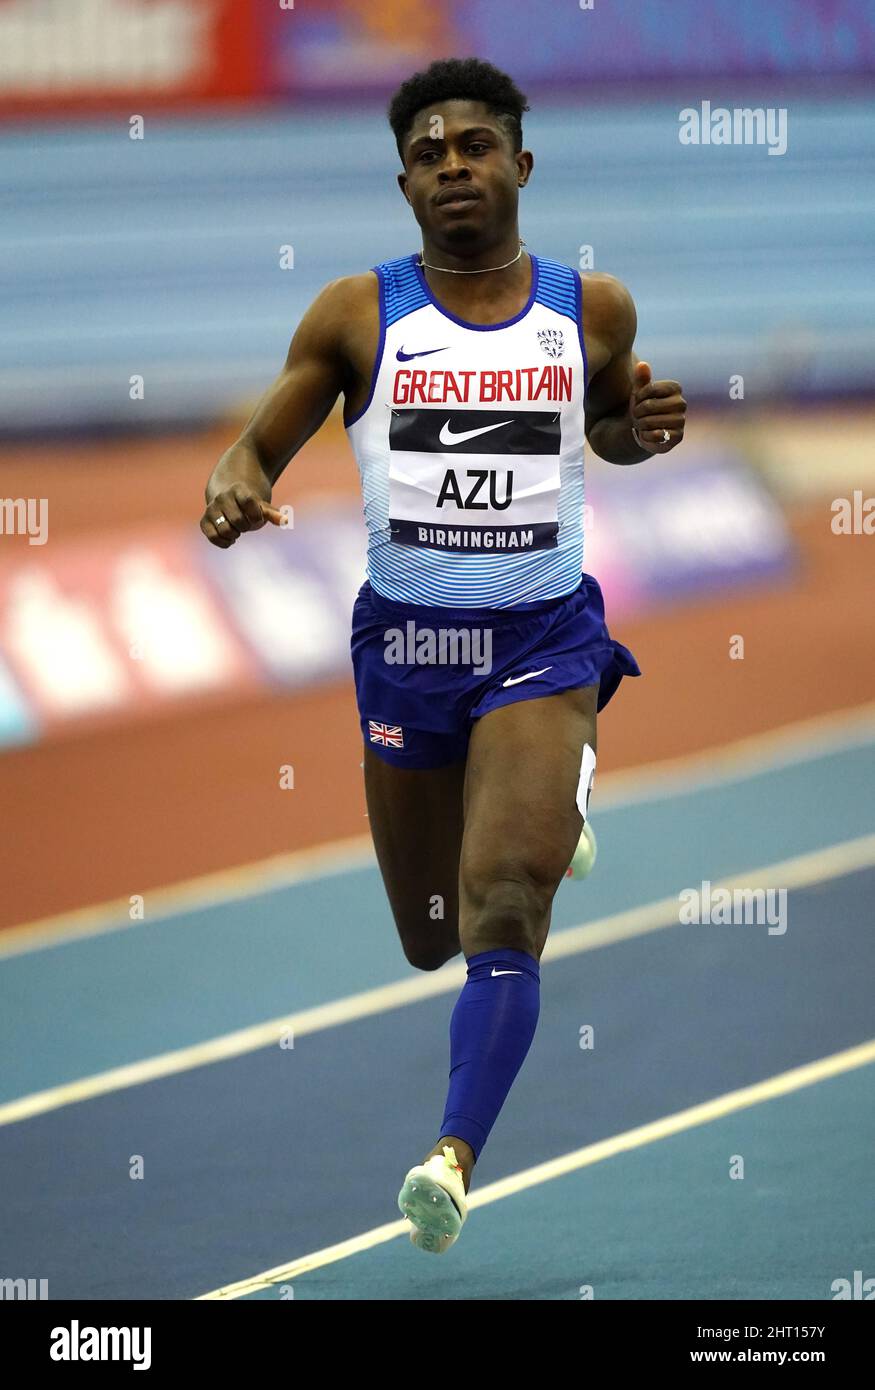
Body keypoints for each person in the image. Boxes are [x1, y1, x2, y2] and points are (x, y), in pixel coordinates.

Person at [200, 57, 686, 1254]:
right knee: (429, 933)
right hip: (409, 647)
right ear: (404, 183)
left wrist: (640, 428)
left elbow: (611, 428)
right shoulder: (356, 313)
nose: (452, 166)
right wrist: (233, 482)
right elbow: (260, 443)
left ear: (520, 164)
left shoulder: (591, 307)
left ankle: (449, 1157)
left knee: (503, 906)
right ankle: (543, 806)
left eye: (474, 146)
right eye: (429, 154)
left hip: (539, 637)